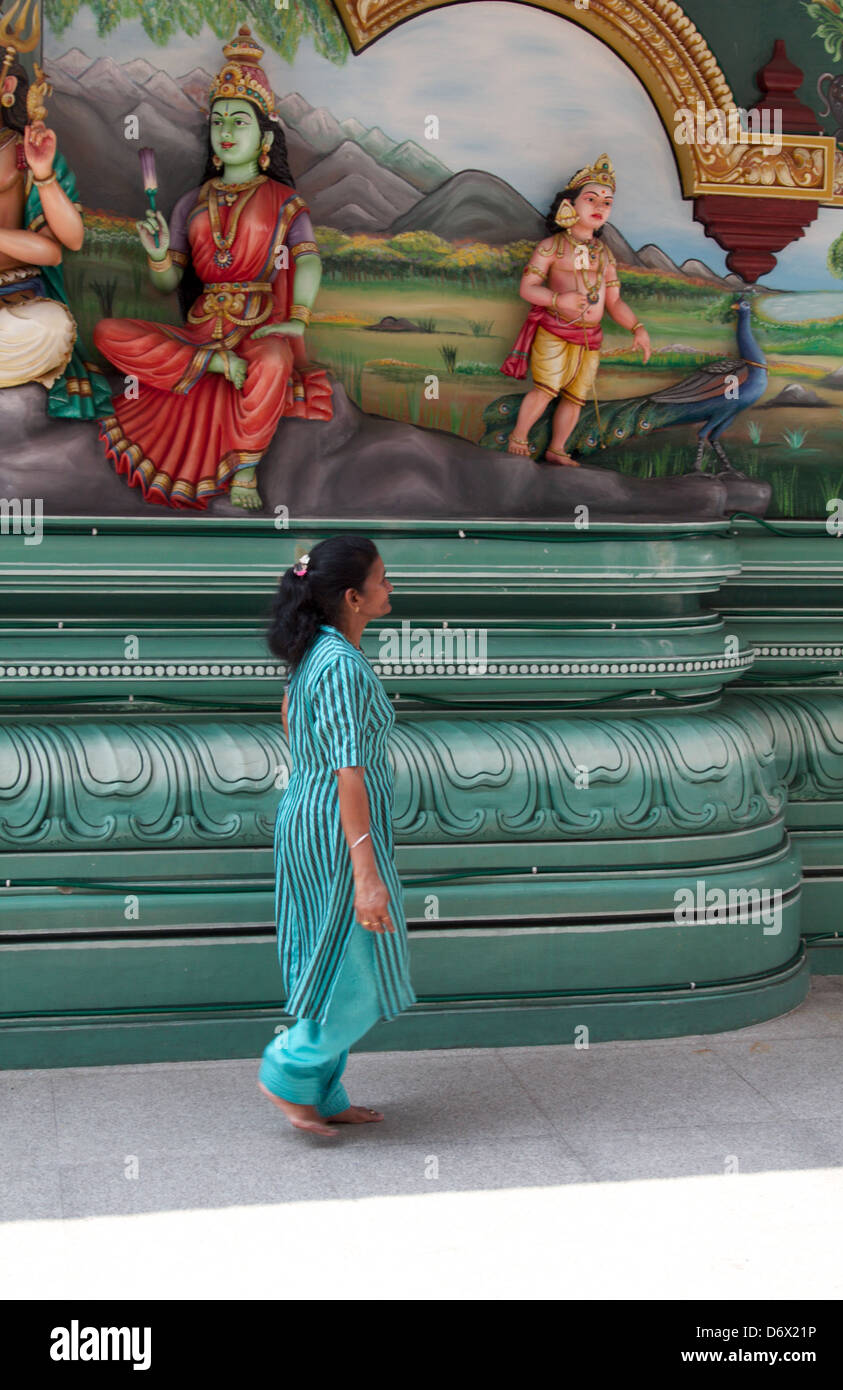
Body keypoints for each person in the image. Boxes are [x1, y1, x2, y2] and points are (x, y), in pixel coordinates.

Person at [94, 25, 332, 510]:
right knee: (107, 332)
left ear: (266, 134)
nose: (225, 132)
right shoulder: (190, 203)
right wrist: (160, 253)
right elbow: (167, 284)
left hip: (256, 325)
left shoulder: (284, 201)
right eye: (218, 121)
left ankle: (246, 466)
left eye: (239, 122)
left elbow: (307, 262)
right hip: (201, 332)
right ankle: (211, 365)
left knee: (272, 362)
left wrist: (299, 317)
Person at [258, 535, 416, 1136]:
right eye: (383, 578)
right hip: (333, 830)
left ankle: (324, 1094)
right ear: (353, 596)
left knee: (334, 960)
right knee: (358, 972)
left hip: (308, 816)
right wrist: (366, 873)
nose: (390, 586)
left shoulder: (316, 653)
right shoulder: (341, 666)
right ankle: (286, 1069)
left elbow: (292, 724)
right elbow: (349, 770)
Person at [501, 153, 651, 465]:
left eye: (607, 202)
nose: (600, 207)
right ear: (570, 204)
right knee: (546, 389)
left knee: (575, 397)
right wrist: (559, 300)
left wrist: (636, 328)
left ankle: (557, 449)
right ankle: (519, 436)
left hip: (590, 338)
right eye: (592, 199)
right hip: (555, 330)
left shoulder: (605, 254)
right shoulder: (551, 246)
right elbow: (527, 289)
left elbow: (614, 301)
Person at [0, 50, 111, 416]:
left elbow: (61, 247)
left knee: (52, 328)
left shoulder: (26, 153)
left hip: (17, 306)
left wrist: (44, 172)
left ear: (7, 85)